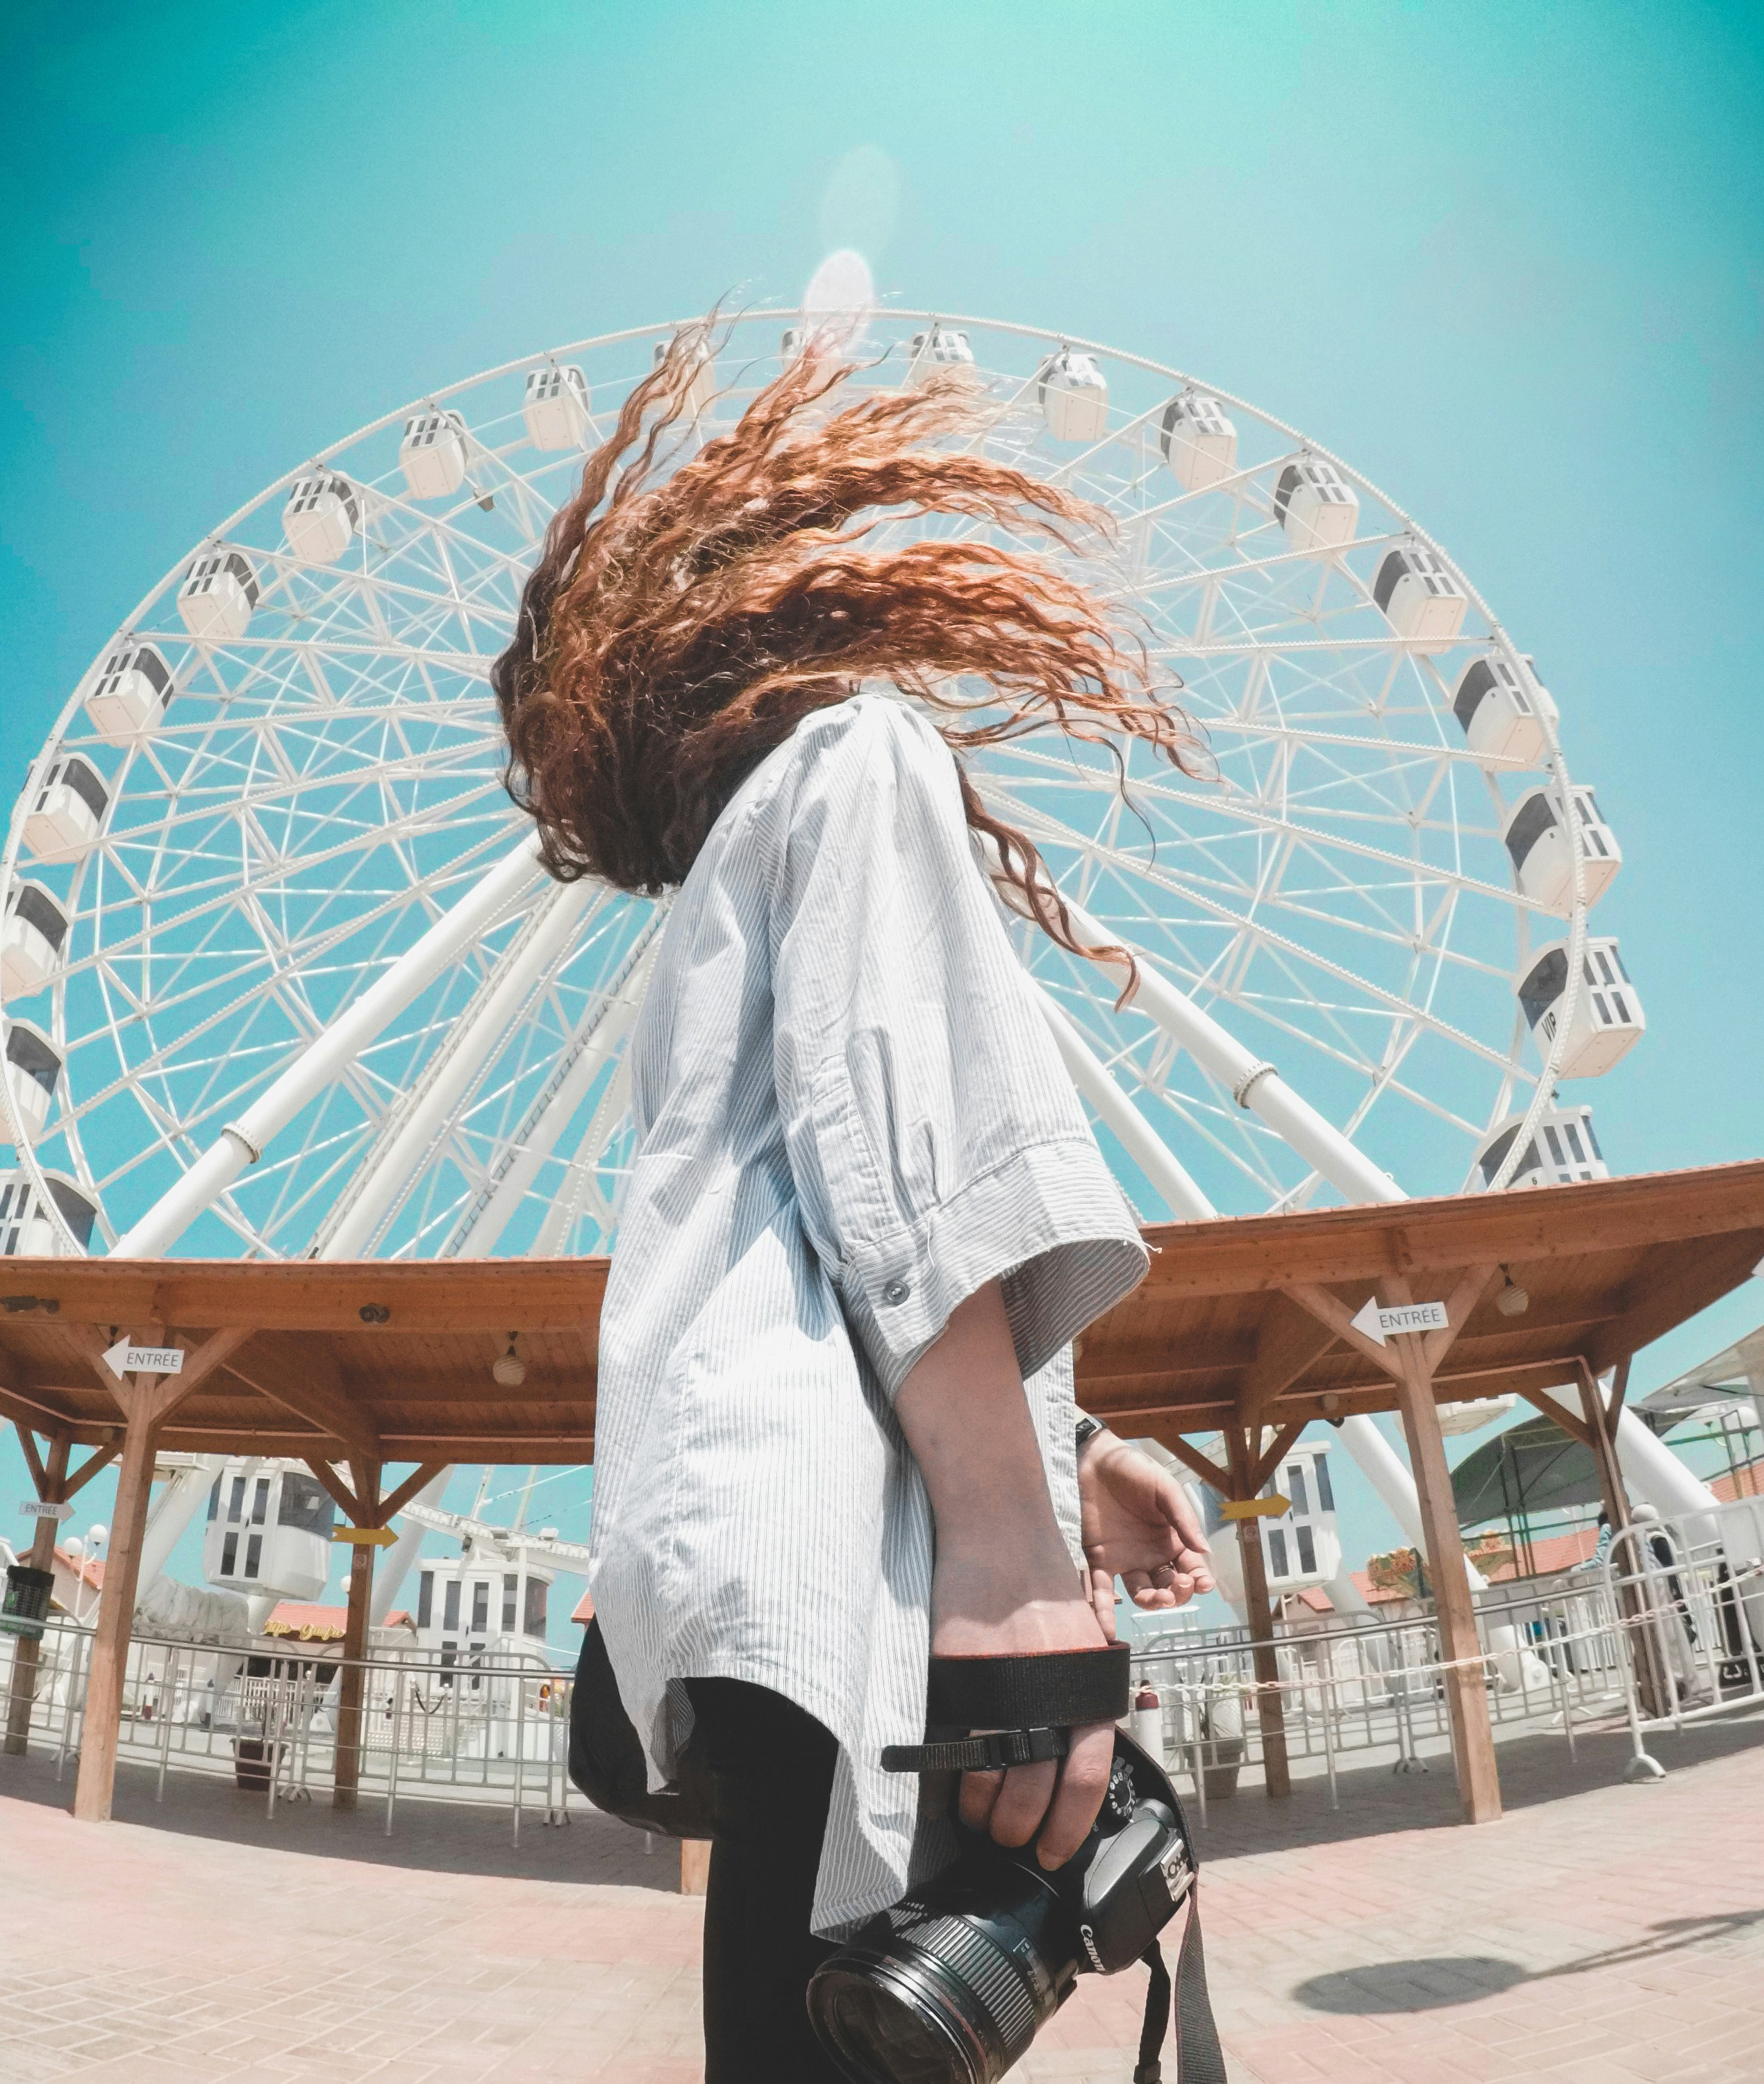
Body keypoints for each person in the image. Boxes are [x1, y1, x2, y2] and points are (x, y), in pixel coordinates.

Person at [493, 325, 1220, 2079]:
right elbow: (907, 1152)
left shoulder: (711, 909)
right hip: (862, 1594)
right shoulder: (853, 757)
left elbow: (819, 1238)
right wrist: (1008, 1540)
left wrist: (1076, 1442)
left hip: (752, 1585)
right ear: (785, 615)